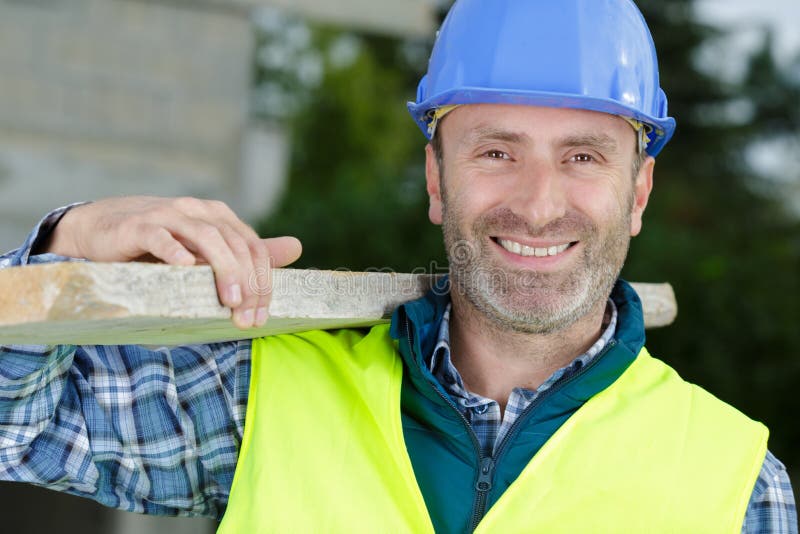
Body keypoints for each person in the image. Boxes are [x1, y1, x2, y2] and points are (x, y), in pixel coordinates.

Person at [0, 0, 796, 531]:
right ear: (435, 178)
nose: (540, 203)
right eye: (495, 151)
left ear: (639, 190)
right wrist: (61, 250)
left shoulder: (738, 488)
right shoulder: (257, 403)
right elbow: (17, 428)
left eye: (583, 156)